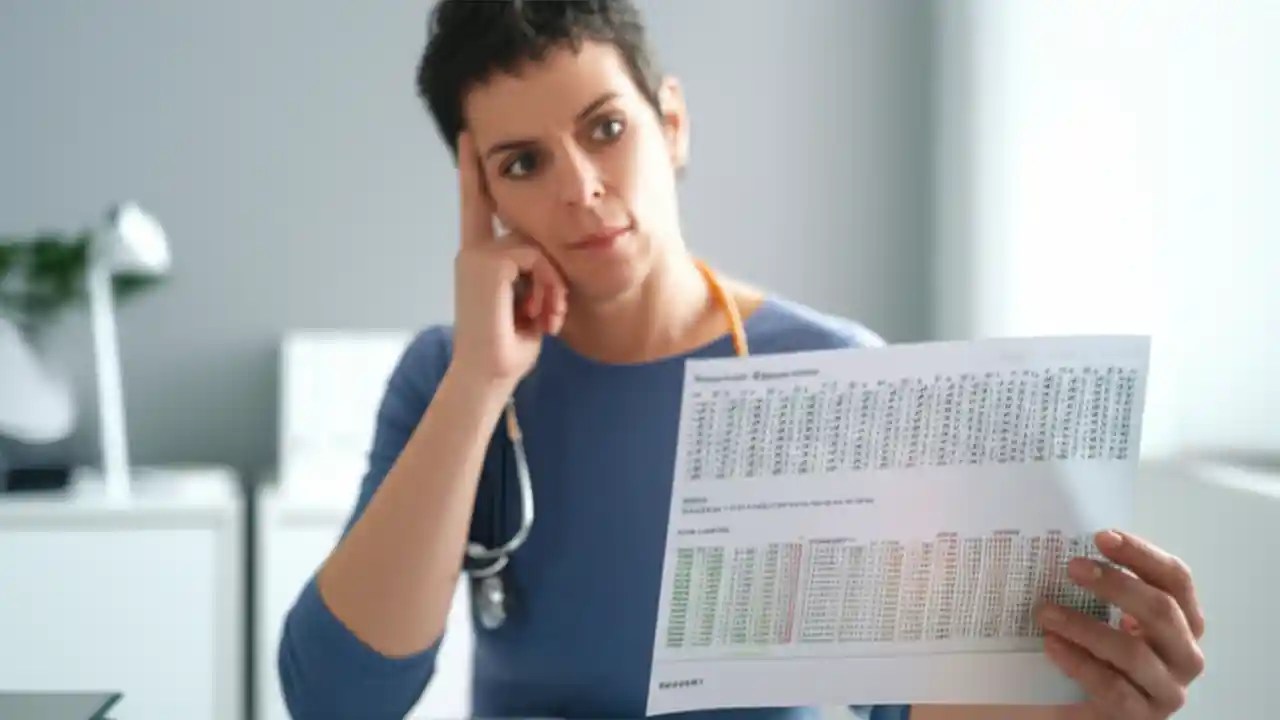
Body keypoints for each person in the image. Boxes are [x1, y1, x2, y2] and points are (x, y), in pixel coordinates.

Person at [278, 2, 1206, 719]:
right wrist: (480, 381)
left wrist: (1094, 694)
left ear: (670, 123)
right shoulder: (451, 380)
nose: (582, 187)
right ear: (479, 195)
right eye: (524, 164)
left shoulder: (835, 374)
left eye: (605, 128)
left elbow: (908, 707)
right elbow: (336, 700)